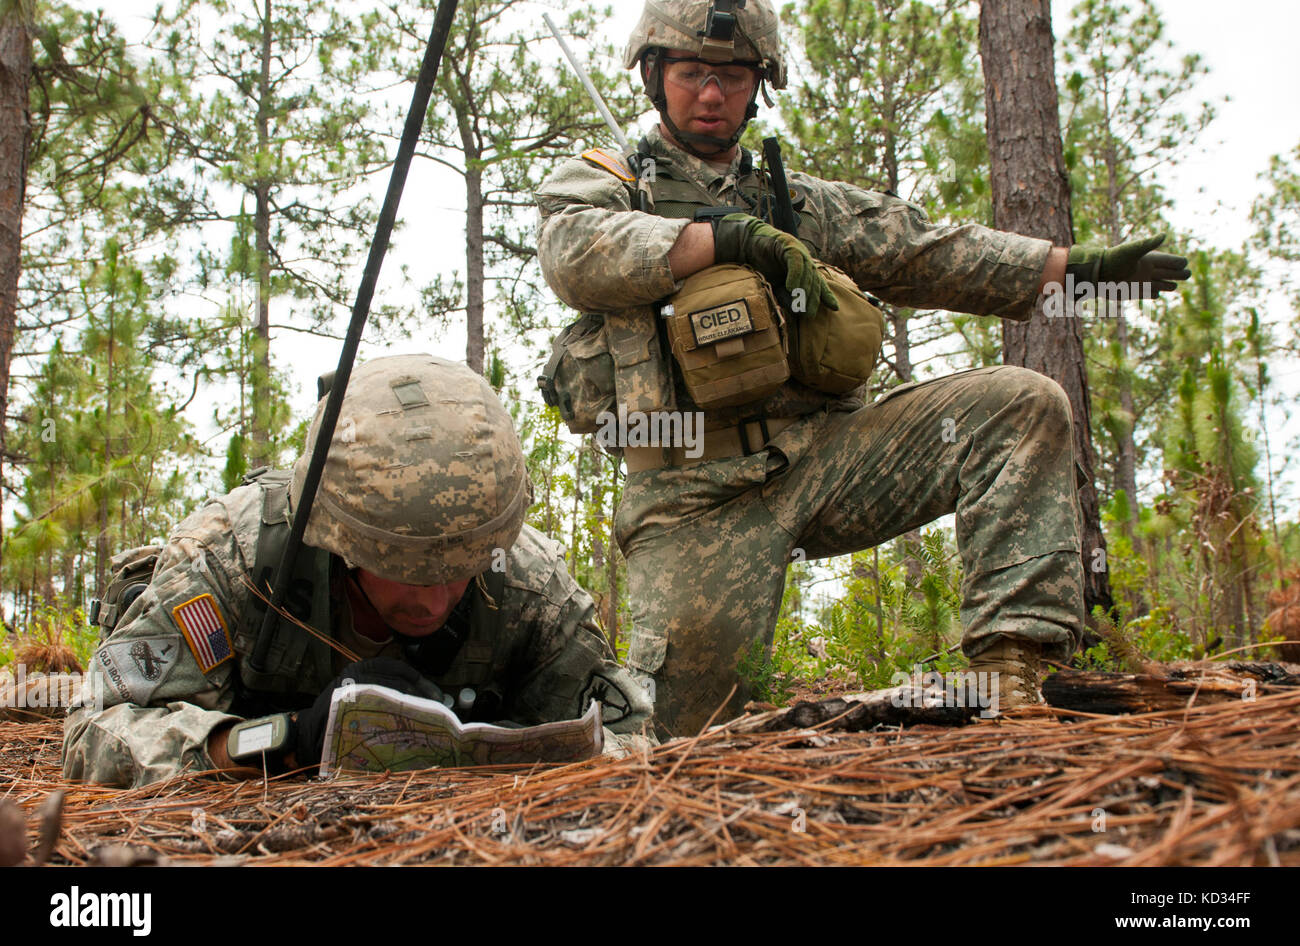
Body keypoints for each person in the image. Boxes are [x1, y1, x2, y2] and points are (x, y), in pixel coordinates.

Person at [534, 0, 1189, 737]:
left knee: (1021, 404)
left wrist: (1075, 271)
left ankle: (1013, 676)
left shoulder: (797, 200)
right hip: (693, 493)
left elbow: (925, 250)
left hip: (830, 459)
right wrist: (726, 240)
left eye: (733, 76)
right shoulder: (608, 182)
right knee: (682, 741)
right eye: (691, 73)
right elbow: (576, 251)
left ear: (761, 84)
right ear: (655, 77)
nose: (712, 95)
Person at [62, 354, 652, 788]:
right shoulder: (234, 559)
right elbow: (98, 730)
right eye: (409, 570)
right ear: (338, 543)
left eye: (462, 568)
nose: (437, 599)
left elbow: (633, 736)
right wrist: (288, 739)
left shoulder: (528, 585)